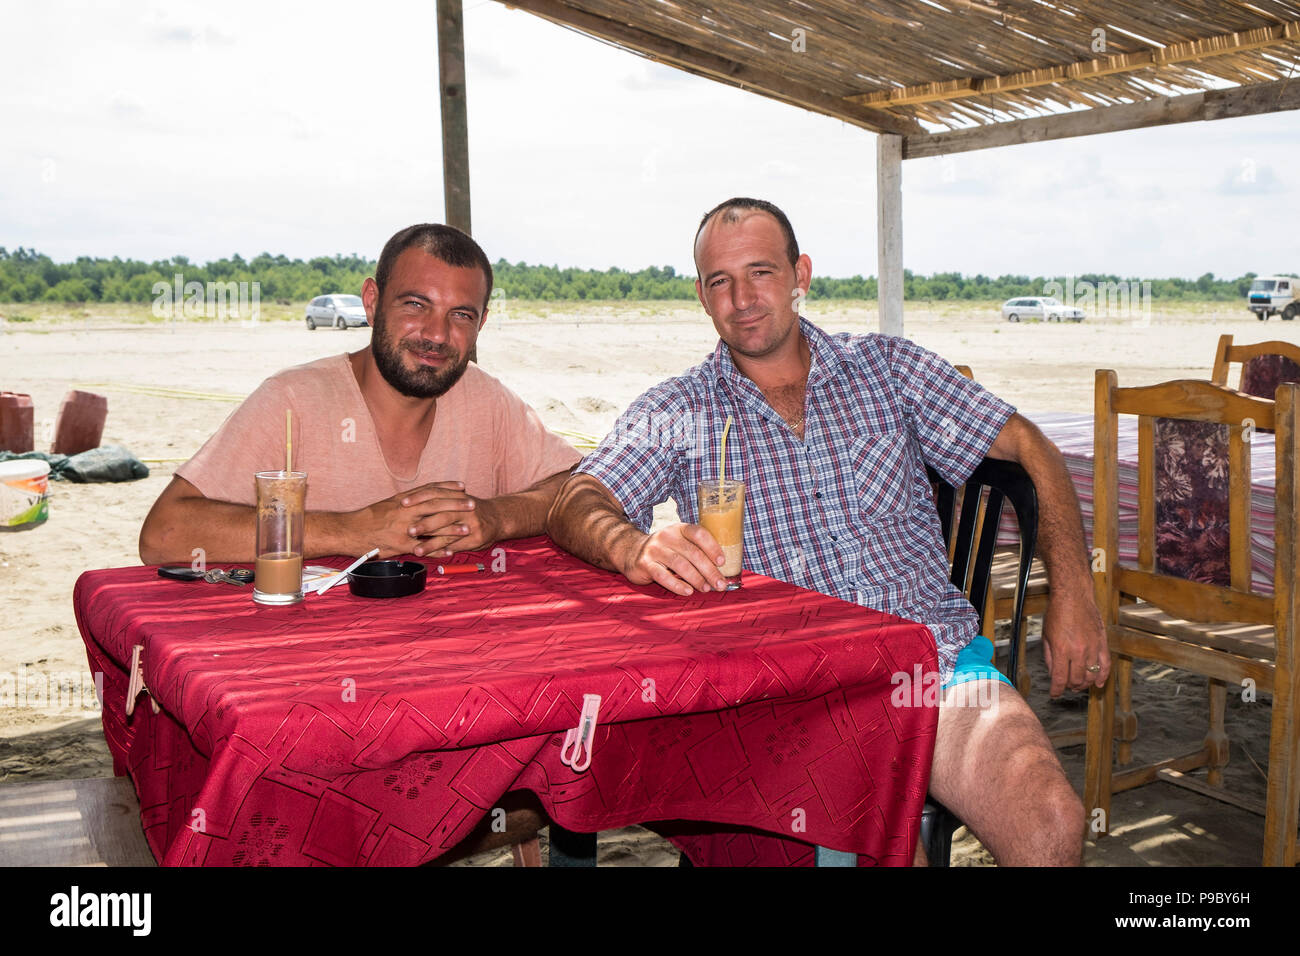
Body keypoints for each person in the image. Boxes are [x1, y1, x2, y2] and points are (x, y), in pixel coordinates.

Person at [546, 197, 1110, 866]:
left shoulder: (889, 369)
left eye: (760, 271)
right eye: (720, 281)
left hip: (931, 666)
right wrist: (632, 546)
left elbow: (1028, 446)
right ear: (702, 296)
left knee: (1052, 821)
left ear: (799, 272)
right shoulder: (682, 408)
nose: (743, 298)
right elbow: (576, 500)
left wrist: (1074, 591)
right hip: (790, 693)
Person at [140, 223, 579, 564]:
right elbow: (165, 534)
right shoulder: (292, 400)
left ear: (480, 325)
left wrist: (496, 517)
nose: (436, 334)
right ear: (371, 302)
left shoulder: (487, 400)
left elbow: (578, 490)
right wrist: (350, 531)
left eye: (460, 315)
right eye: (415, 304)